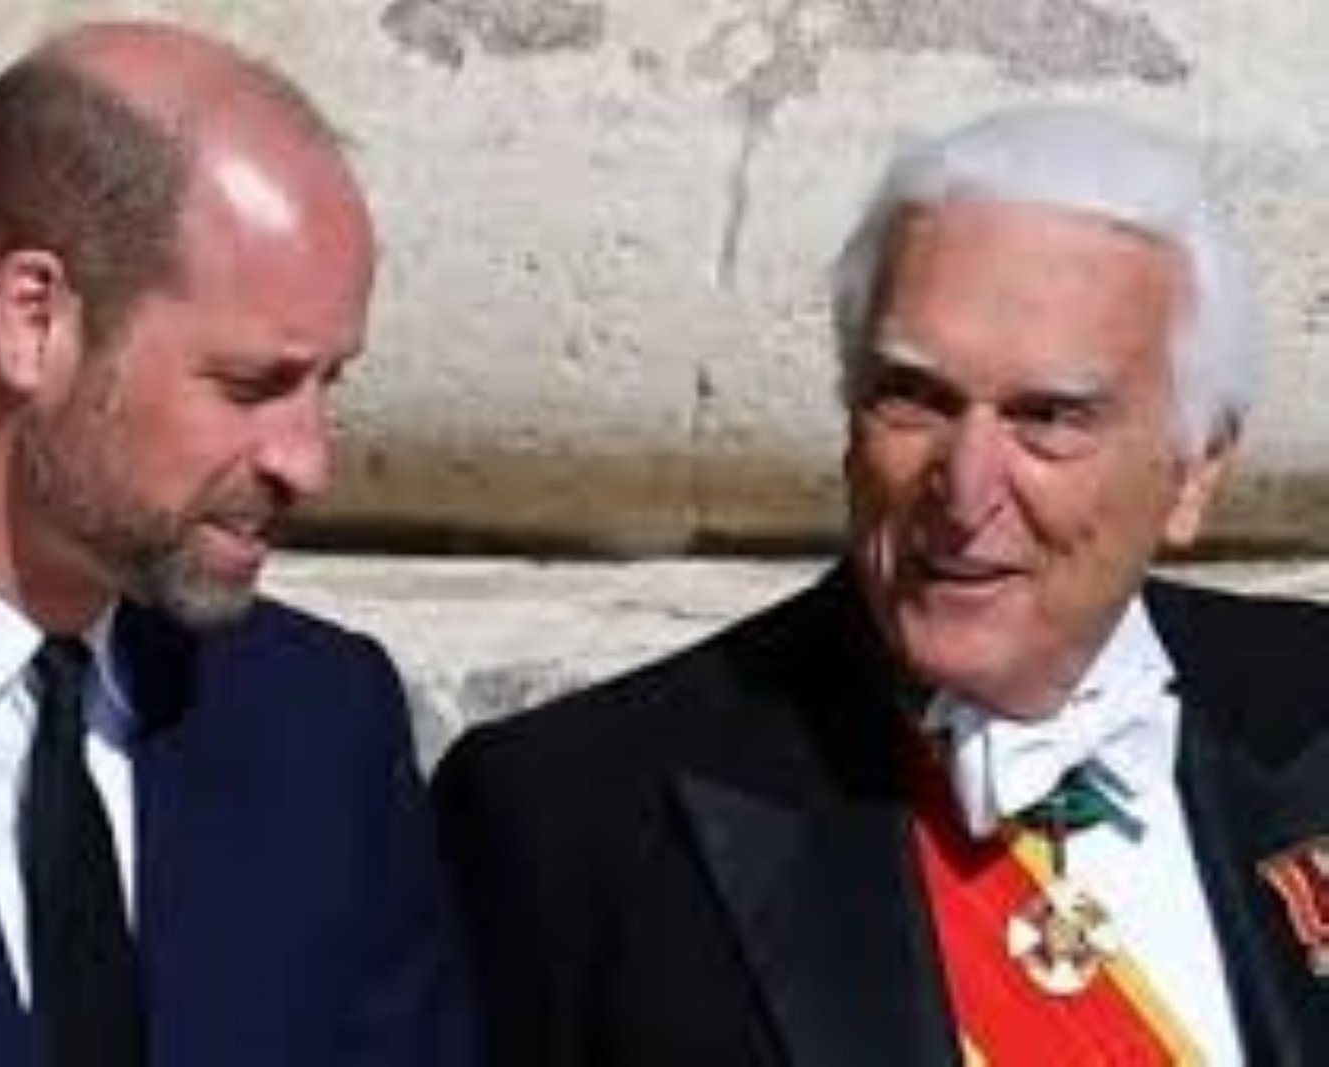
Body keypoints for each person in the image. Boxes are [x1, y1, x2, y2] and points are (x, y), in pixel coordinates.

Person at [434, 105, 1329, 1064]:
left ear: (1195, 472)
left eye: (1050, 416)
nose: (966, 486)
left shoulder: (1310, 701)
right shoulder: (577, 816)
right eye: (916, 398)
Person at [0, 21, 475, 1067]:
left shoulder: (319, 728)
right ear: (31, 320)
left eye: (328, 384)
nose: (307, 461)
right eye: (253, 384)